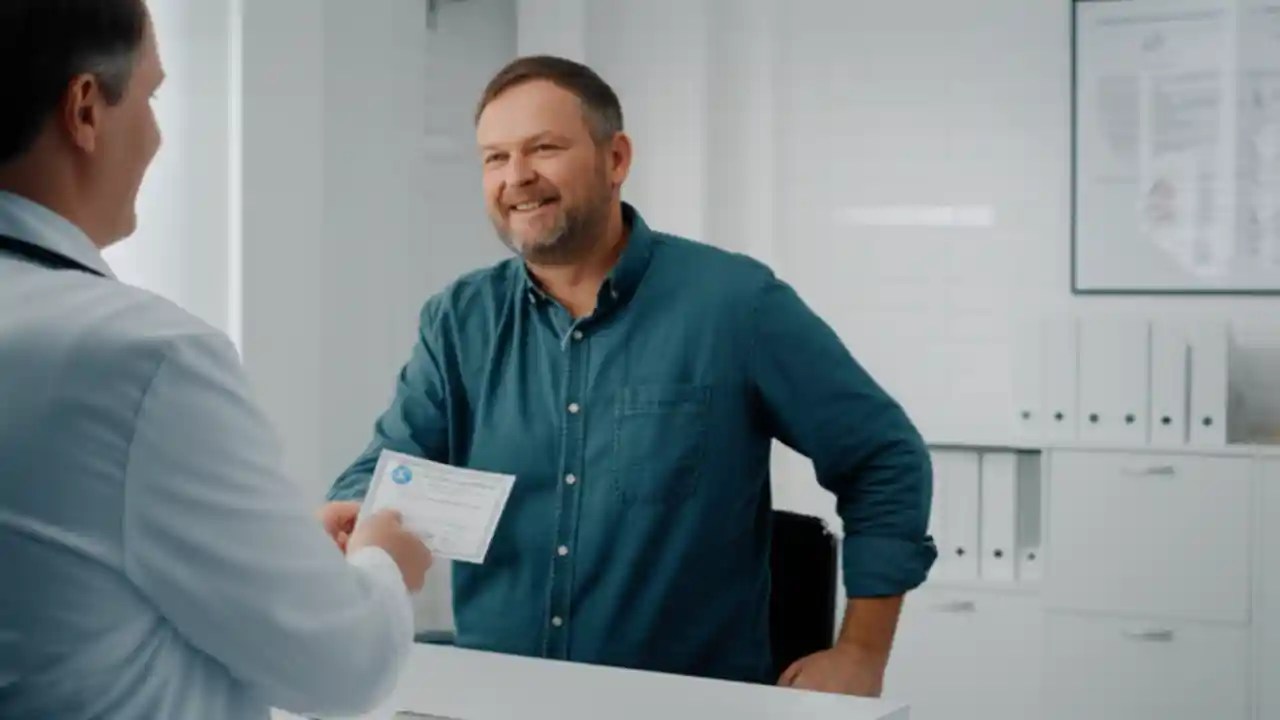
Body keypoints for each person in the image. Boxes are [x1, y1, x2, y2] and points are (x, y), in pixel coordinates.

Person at [322, 55, 936, 696]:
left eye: (544, 148)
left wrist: (863, 652)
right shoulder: (459, 319)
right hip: (497, 696)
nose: (517, 177)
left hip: (687, 706)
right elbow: (395, 460)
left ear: (616, 159)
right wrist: (348, 510)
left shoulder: (734, 304)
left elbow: (884, 457)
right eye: (494, 158)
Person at [0, 2, 433, 718]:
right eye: (152, 96)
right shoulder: (144, 359)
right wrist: (382, 562)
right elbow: (343, 667)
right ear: (85, 109)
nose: (158, 133)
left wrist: (279, 551)